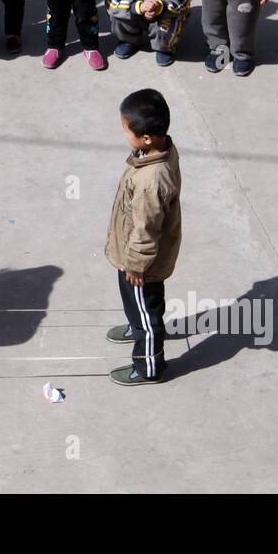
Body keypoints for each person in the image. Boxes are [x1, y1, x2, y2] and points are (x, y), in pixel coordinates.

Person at [105, 89, 182, 386]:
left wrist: (136, 264)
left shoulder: (151, 181)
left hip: (141, 264)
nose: (124, 134)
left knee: (147, 314)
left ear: (147, 137)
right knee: (137, 303)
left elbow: (146, 227)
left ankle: (149, 366)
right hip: (133, 255)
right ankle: (134, 323)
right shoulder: (160, 149)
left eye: (127, 130)